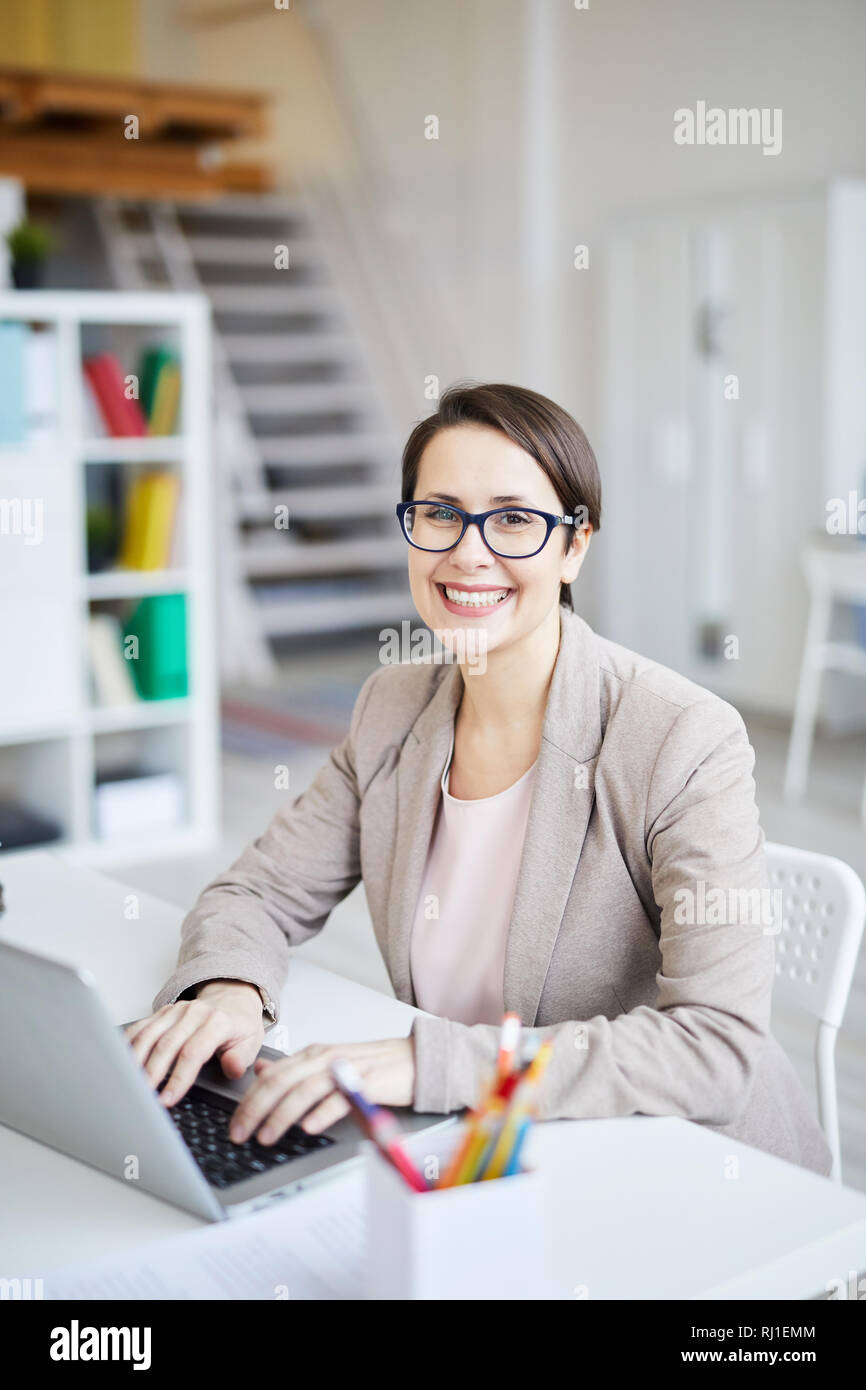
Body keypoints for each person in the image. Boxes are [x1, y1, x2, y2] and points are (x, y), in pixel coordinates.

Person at [126, 381, 832, 1176]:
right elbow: (256, 894)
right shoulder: (394, 704)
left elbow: (716, 1050)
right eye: (440, 514)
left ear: (575, 545)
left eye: (513, 520)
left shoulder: (679, 737)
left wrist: (431, 1064)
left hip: (688, 1169)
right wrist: (230, 988)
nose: (468, 551)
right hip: (491, 1152)